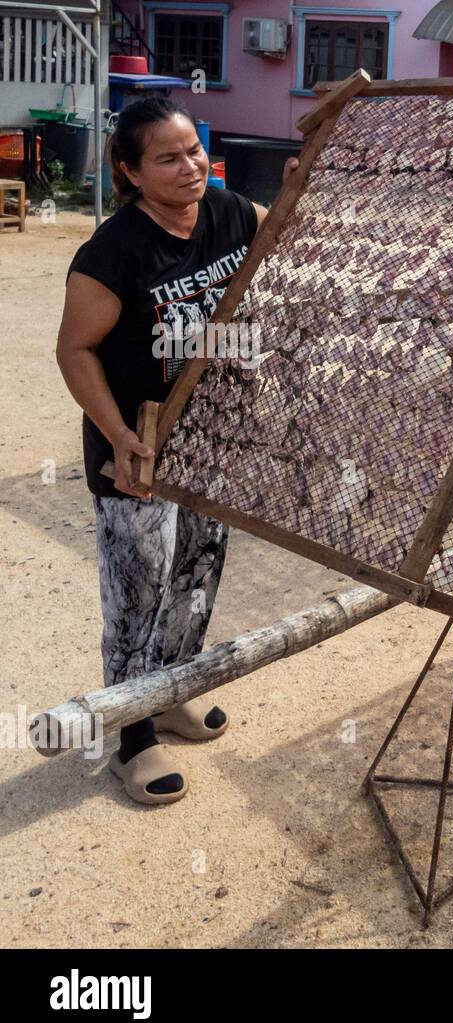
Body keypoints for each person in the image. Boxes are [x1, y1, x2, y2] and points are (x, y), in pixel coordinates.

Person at [55, 97, 297, 806]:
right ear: (130, 172)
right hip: (139, 447)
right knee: (139, 589)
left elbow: (283, 236)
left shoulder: (226, 211)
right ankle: (130, 737)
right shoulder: (112, 252)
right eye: (167, 157)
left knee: (198, 566)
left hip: (210, 436)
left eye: (194, 149)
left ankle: (173, 689)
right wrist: (119, 433)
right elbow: (74, 350)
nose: (190, 166)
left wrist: (297, 188)